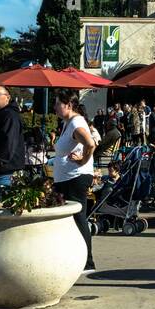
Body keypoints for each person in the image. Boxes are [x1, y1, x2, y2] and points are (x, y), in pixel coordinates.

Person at [52, 89, 98, 271]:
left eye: (57, 104)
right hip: (67, 178)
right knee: (70, 220)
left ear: (68, 105)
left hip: (75, 178)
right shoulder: (68, 123)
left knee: (78, 218)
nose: (54, 107)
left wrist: (84, 160)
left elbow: (90, 143)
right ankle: (75, 258)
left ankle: (88, 262)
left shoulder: (76, 123)